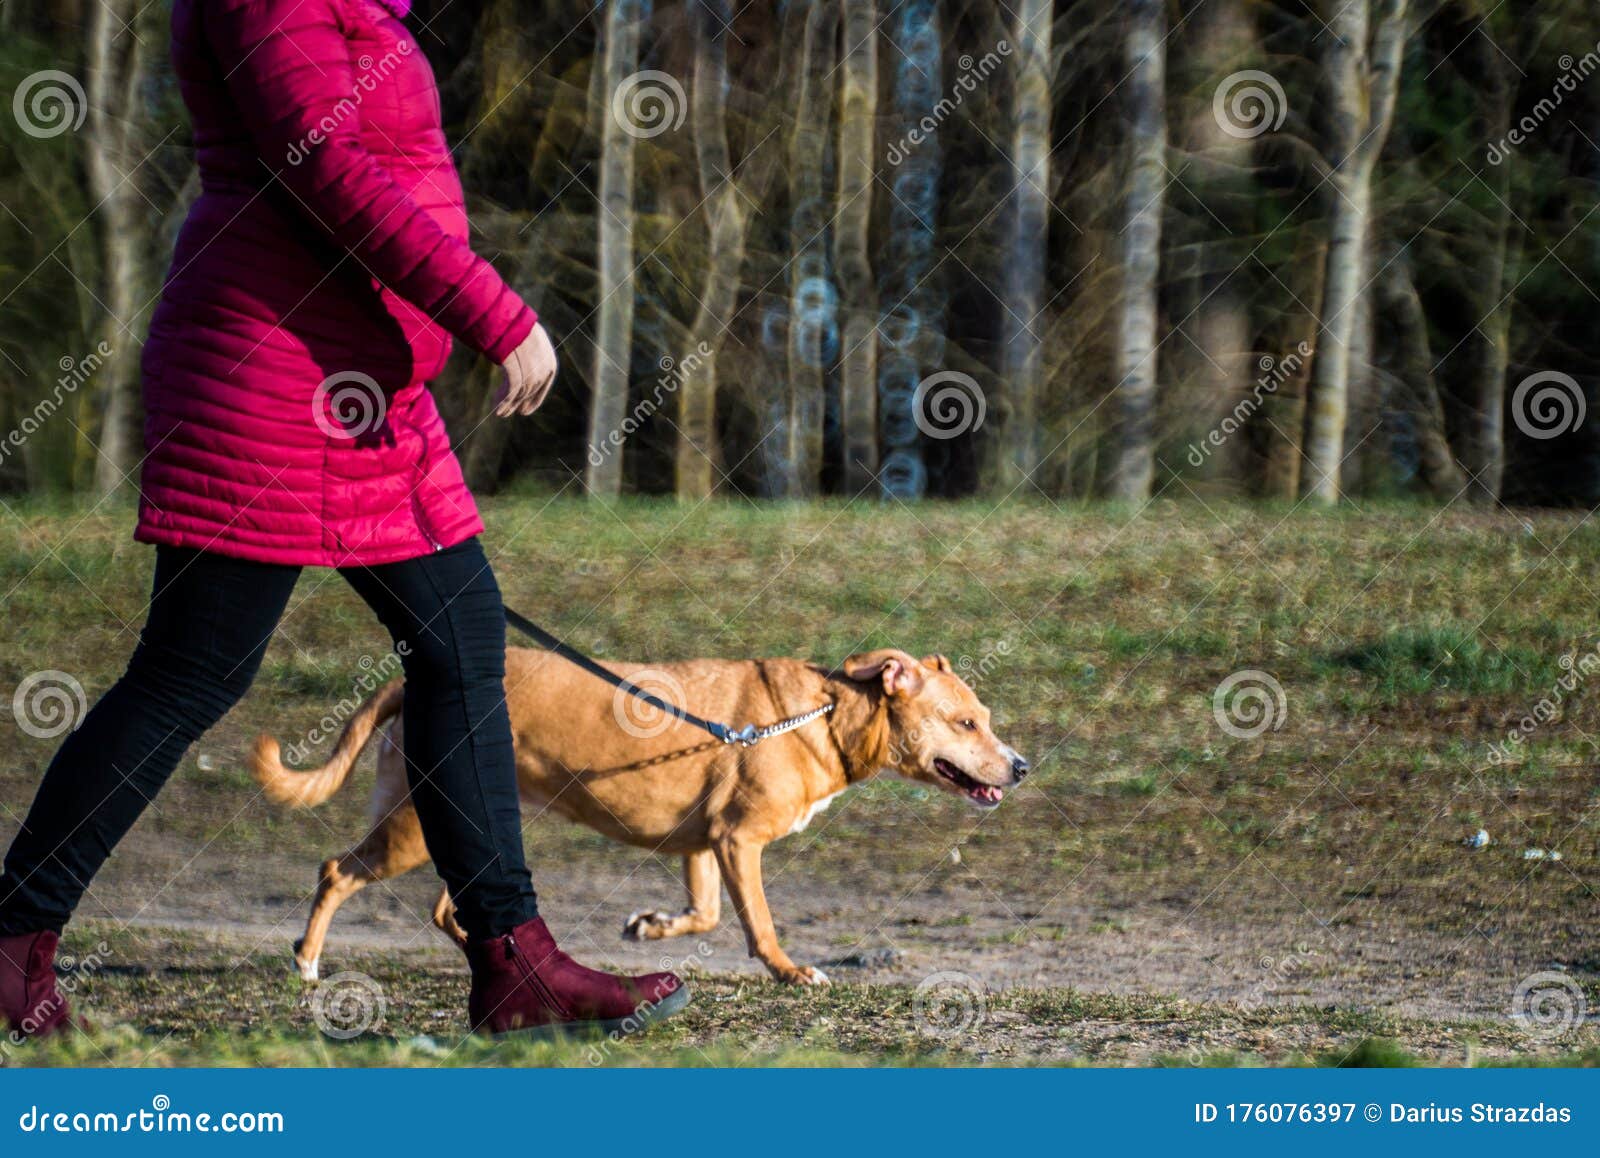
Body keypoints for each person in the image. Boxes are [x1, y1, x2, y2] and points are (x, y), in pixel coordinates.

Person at [0, 0, 686, 1041]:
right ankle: (12, 948)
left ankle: (516, 965)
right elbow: (329, 171)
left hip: (365, 390)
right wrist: (493, 312)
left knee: (460, 641)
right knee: (192, 670)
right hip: (269, 379)